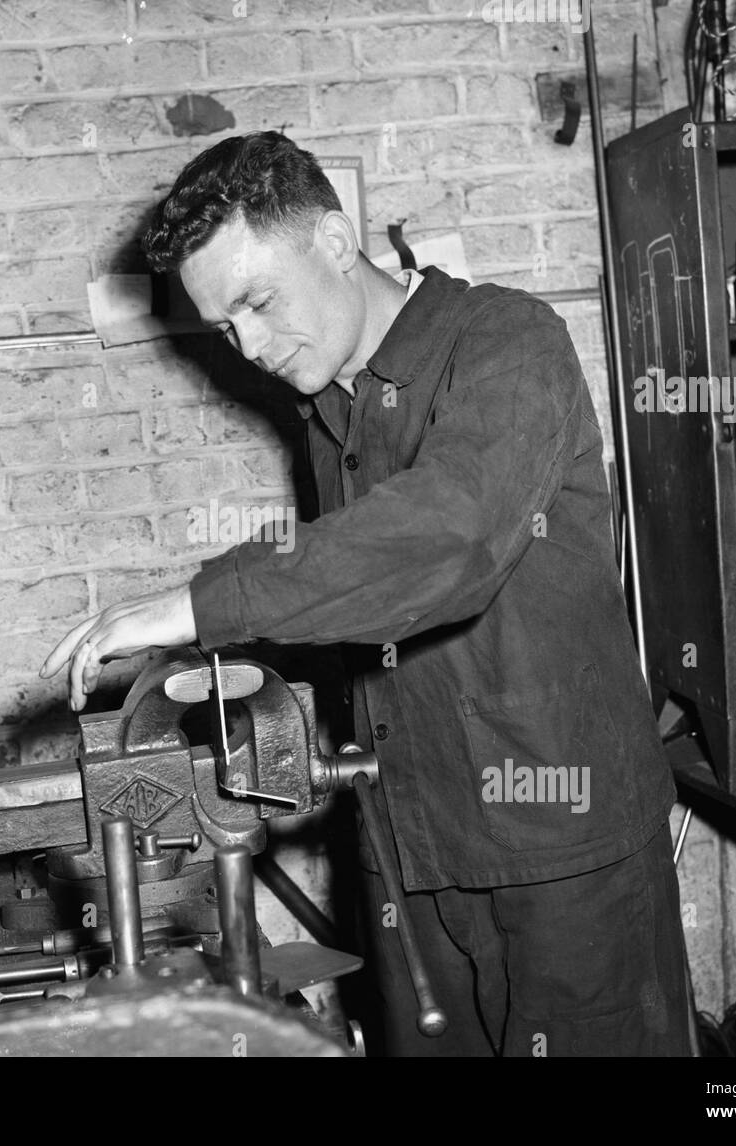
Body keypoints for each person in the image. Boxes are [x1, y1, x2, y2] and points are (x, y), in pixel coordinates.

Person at [41, 131, 690, 1056]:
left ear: (338, 242)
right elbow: (355, 591)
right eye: (226, 328)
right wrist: (213, 663)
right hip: (411, 847)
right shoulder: (330, 411)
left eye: (259, 302)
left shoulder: (507, 343)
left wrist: (200, 603)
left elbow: (447, 537)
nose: (252, 346)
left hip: (560, 855)